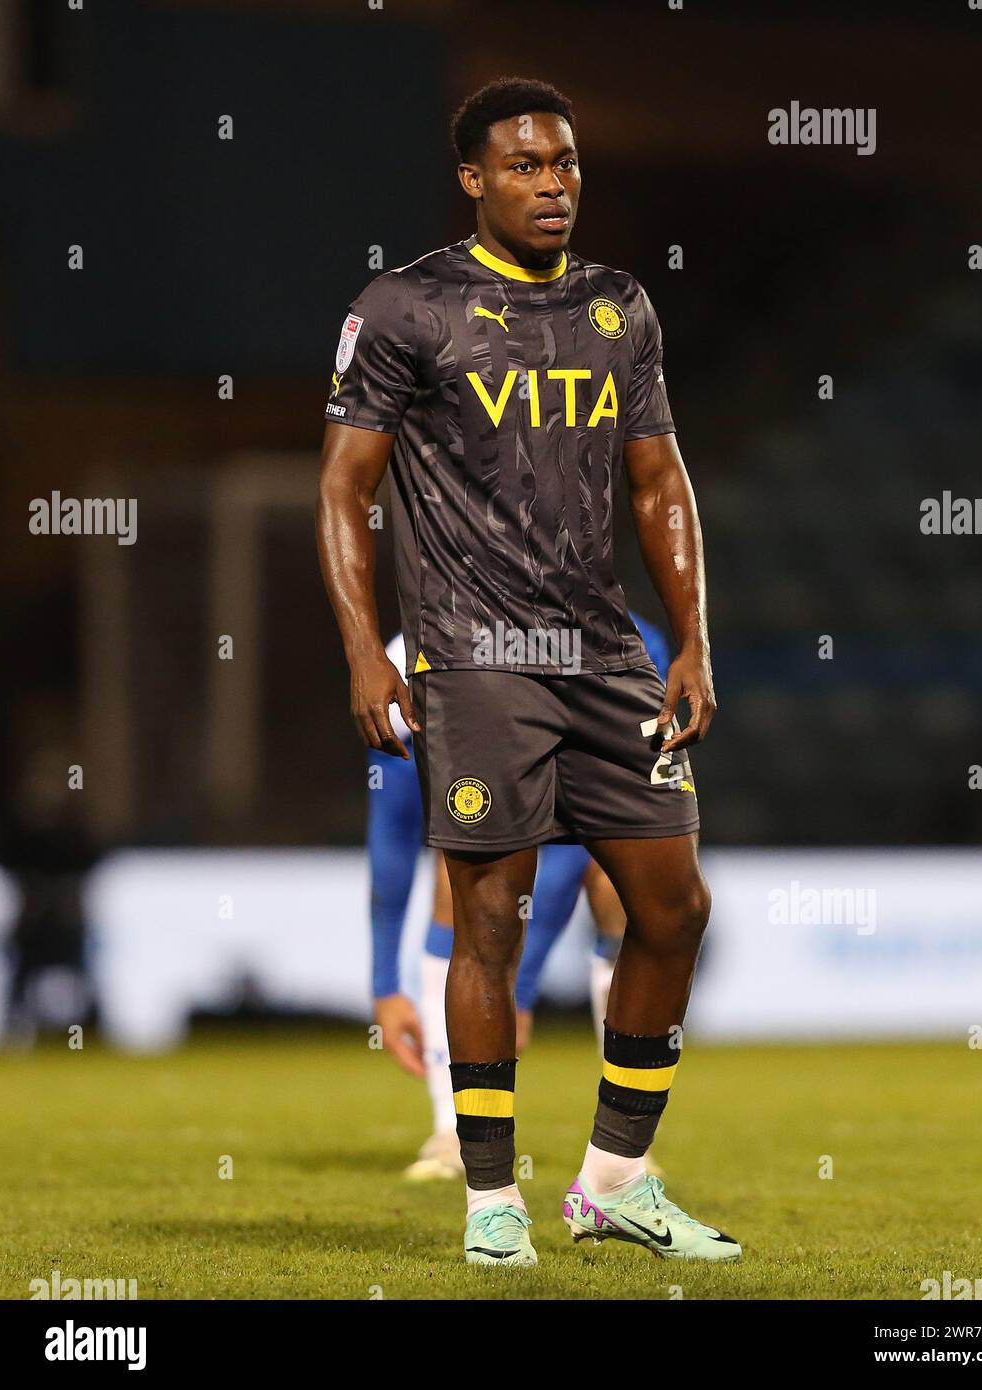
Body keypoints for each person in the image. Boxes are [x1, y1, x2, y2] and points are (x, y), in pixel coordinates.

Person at [317, 76, 741, 1267]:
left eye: (562, 164)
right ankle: (491, 1197)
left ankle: (612, 1180)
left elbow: (658, 483)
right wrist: (366, 647)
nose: (551, 184)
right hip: (475, 658)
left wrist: (691, 637)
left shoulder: (618, 310)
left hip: (603, 654)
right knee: (487, 925)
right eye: (523, 166)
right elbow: (343, 492)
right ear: (473, 178)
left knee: (674, 908)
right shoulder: (406, 306)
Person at [368, 618, 672, 1182]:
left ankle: (625, 1140)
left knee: (622, 887)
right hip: (489, 771)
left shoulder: (621, 640)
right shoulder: (406, 662)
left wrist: (520, 984)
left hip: (592, 803)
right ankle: (453, 1130)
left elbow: (583, 834)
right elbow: (390, 836)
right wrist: (385, 984)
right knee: (454, 877)